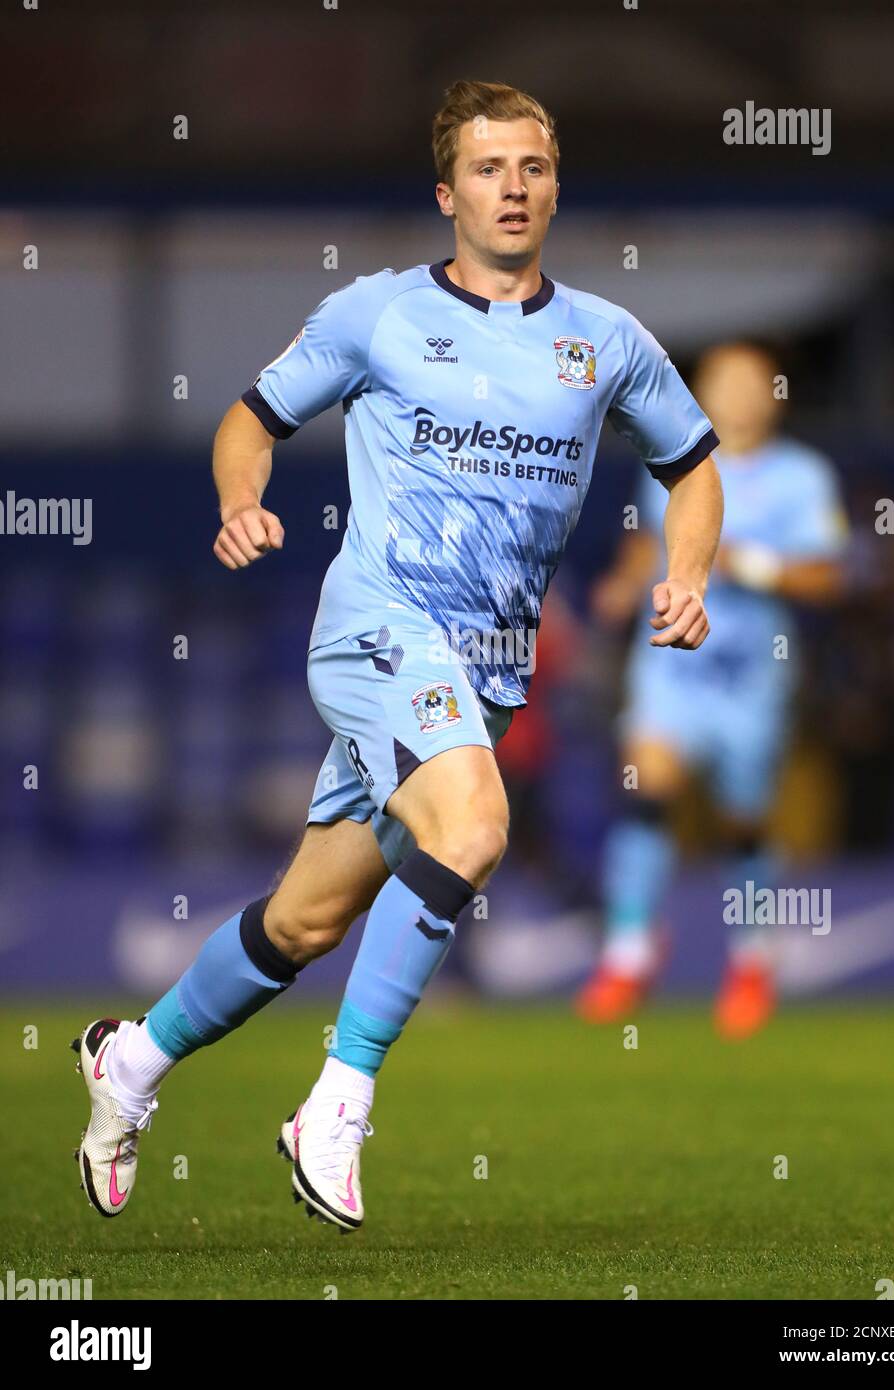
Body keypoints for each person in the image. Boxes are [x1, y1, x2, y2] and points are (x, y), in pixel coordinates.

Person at [72, 79, 722, 1229]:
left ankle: (129, 1060)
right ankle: (338, 1098)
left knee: (305, 921)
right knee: (474, 827)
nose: (512, 187)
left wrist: (688, 570)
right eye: (487, 168)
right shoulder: (373, 315)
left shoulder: (606, 343)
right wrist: (239, 500)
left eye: (531, 167)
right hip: (377, 626)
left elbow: (693, 462)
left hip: (486, 671)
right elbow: (251, 418)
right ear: (447, 193)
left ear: (556, 186)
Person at [576, 342, 847, 1036]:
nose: (738, 395)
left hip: (750, 677)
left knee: (743, 822)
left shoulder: (802, 478)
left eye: (752, 382)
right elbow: (648, 547)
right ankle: (630, 950)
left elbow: (827, 579)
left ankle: (752, 958)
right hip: (670, 665)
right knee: (648, 785)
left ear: (775, 395)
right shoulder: (671, 462)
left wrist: (745, 564)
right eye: (722, 382)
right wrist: (623, 583)